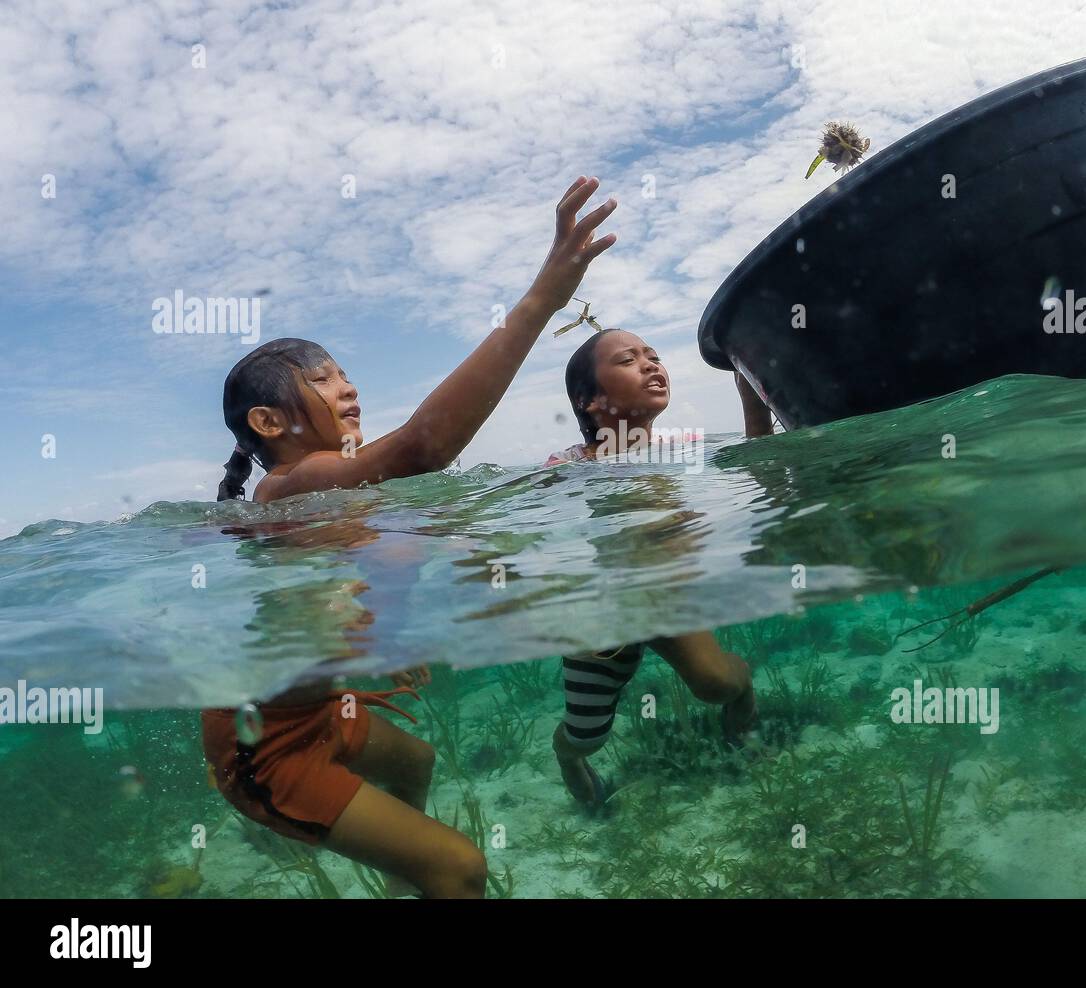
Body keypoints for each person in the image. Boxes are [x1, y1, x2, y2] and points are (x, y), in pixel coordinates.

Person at [205, 176, 618, 897]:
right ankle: (428, 873)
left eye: (346, 375)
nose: (348, 388)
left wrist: (385, 641)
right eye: (324, 379)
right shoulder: (288, 487)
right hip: (261, 744)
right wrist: (540, 302)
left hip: (320, 708)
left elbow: (360, 569)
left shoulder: (323, 492)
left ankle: (406, 882)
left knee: (415, 763)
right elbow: (423, 449)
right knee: (462, 865)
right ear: (269, 424)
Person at [544, 326, 772, 808]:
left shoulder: (682, 453)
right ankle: (568, 756)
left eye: (654, 355)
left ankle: (744, 690)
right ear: (590, 400)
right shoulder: (573, 462)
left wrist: (753, 404)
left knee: (717, 686)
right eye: (628, 360)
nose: (651, 364)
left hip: (671, 593)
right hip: (607, 608)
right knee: (585, 735)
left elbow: (761, 470)